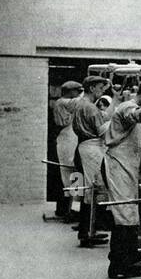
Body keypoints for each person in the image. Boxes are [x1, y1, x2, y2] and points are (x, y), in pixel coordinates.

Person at [101, 77, 141, 279]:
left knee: (127, 214)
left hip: (126, 165)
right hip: (118, 164)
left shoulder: (140, 110)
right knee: (125, 214)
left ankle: (120, 263)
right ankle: (123, 263)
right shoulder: (128, 108)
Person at [72, 76, 113, 247]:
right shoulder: (91, 108)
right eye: (100, 88)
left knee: (89, 191)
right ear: (91, 88)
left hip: (83, 146)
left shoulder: (81, 105)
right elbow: (102, 131)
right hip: (91, 148)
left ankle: (88, 231)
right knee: (92, 191)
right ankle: (87, 233)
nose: (102, 92)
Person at [51, 80, 82, 220]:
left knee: (73, 173)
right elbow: (80, 101)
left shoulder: (63, 102)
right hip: (66, 138)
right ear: (71, 91)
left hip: (69, 138)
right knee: (71, 171)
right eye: (77, 90)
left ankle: (71, 208)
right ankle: (69, 209)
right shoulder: (62, 102)